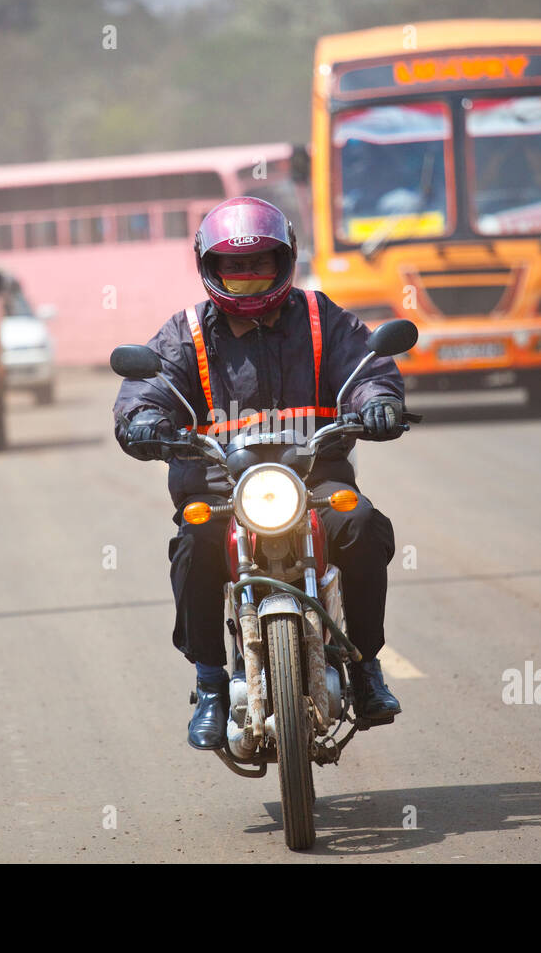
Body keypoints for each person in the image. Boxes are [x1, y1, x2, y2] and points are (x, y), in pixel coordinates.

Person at [112, 196, 406, 751]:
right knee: (196, 543)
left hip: (317, 482)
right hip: (220, 488)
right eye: (234, 267)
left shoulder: (323, 319)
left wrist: (378, 400)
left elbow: (366, 367)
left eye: (260, 264)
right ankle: (210, 683)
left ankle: (367, 667)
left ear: (284, 260)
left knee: (362, 525)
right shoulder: (185, 336)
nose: (246, 278)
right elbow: (146, 389)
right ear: (210, 267)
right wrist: (145, 421)